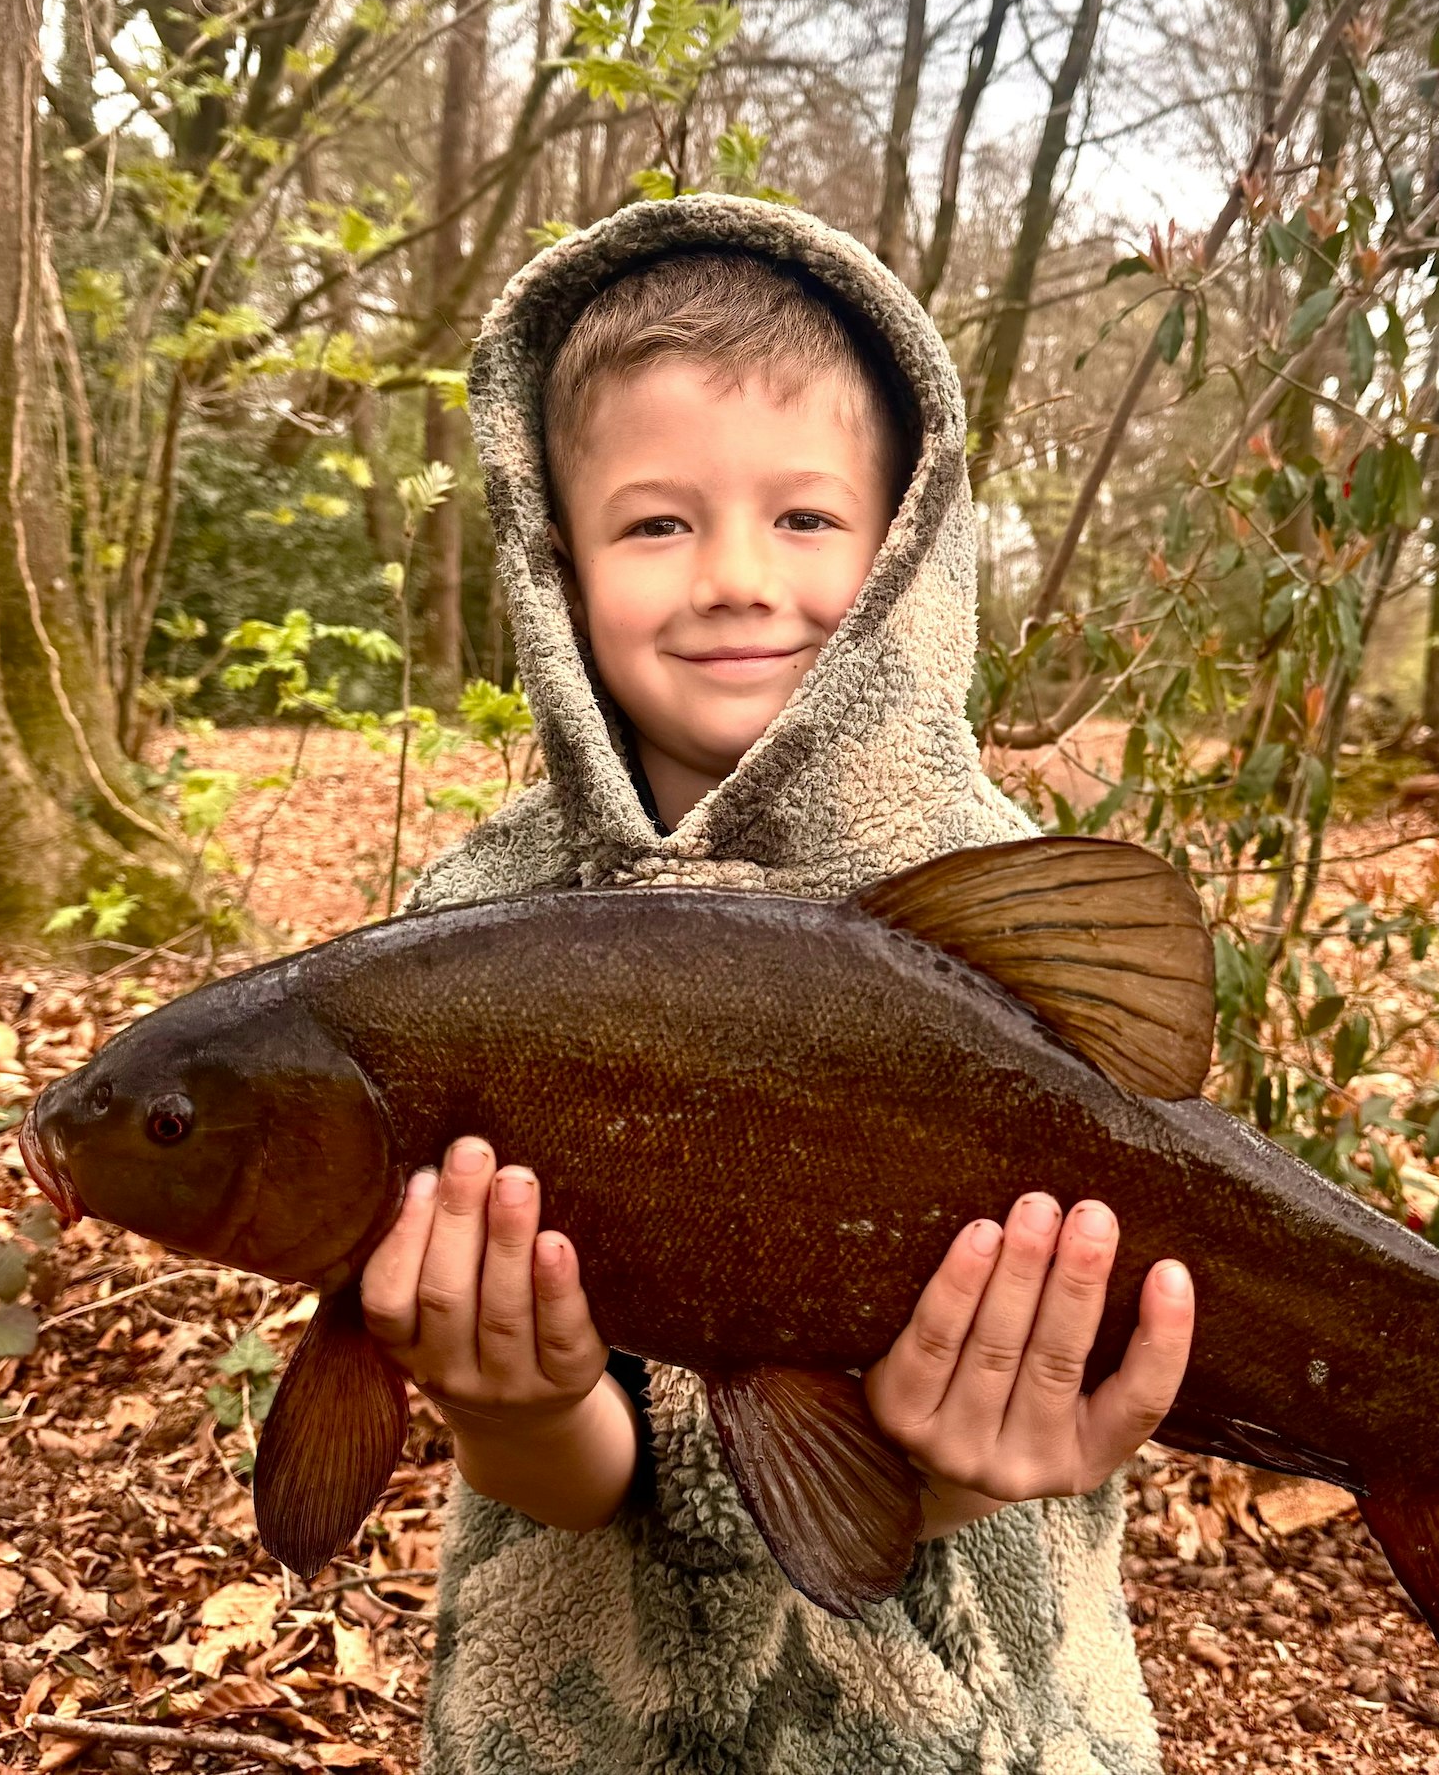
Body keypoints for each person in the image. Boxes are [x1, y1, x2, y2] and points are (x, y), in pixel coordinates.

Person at [357, 197, 1198, 1774]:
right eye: (656, 525)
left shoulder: (1003, 897)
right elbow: (564, 1475)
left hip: (968, 1722)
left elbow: (1081, 1363)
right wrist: (518, 1407)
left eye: (806, 517)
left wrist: (959, 1468)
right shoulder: (464, 932)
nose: (737, 577)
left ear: (904, 543)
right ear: (555, 559)